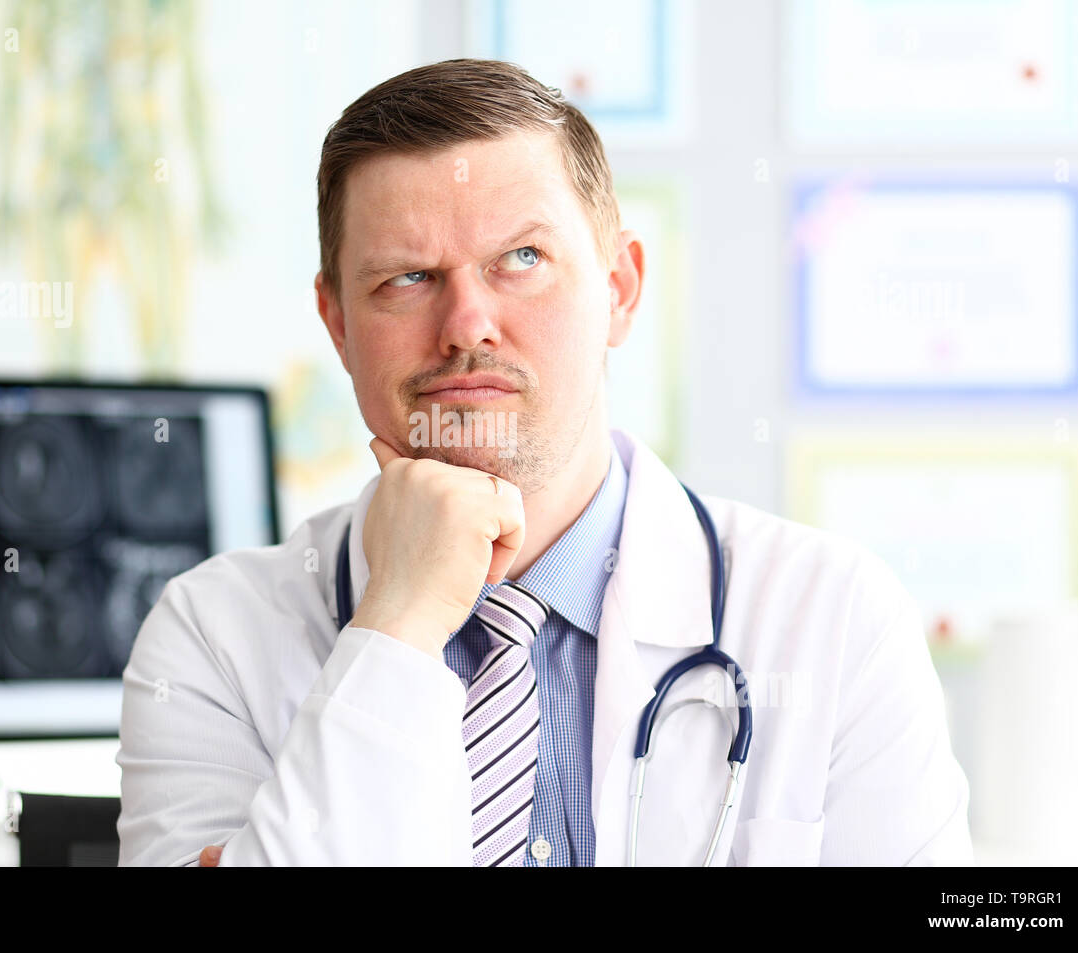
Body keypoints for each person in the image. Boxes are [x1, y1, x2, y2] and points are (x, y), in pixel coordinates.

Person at [115, 58, 972, 867]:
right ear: (337, 323)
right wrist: (400, 622)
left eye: (521, 259)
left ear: (620, 291)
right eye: (407, 279)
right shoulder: (211, 638)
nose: (466, 324)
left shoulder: (834, 619)